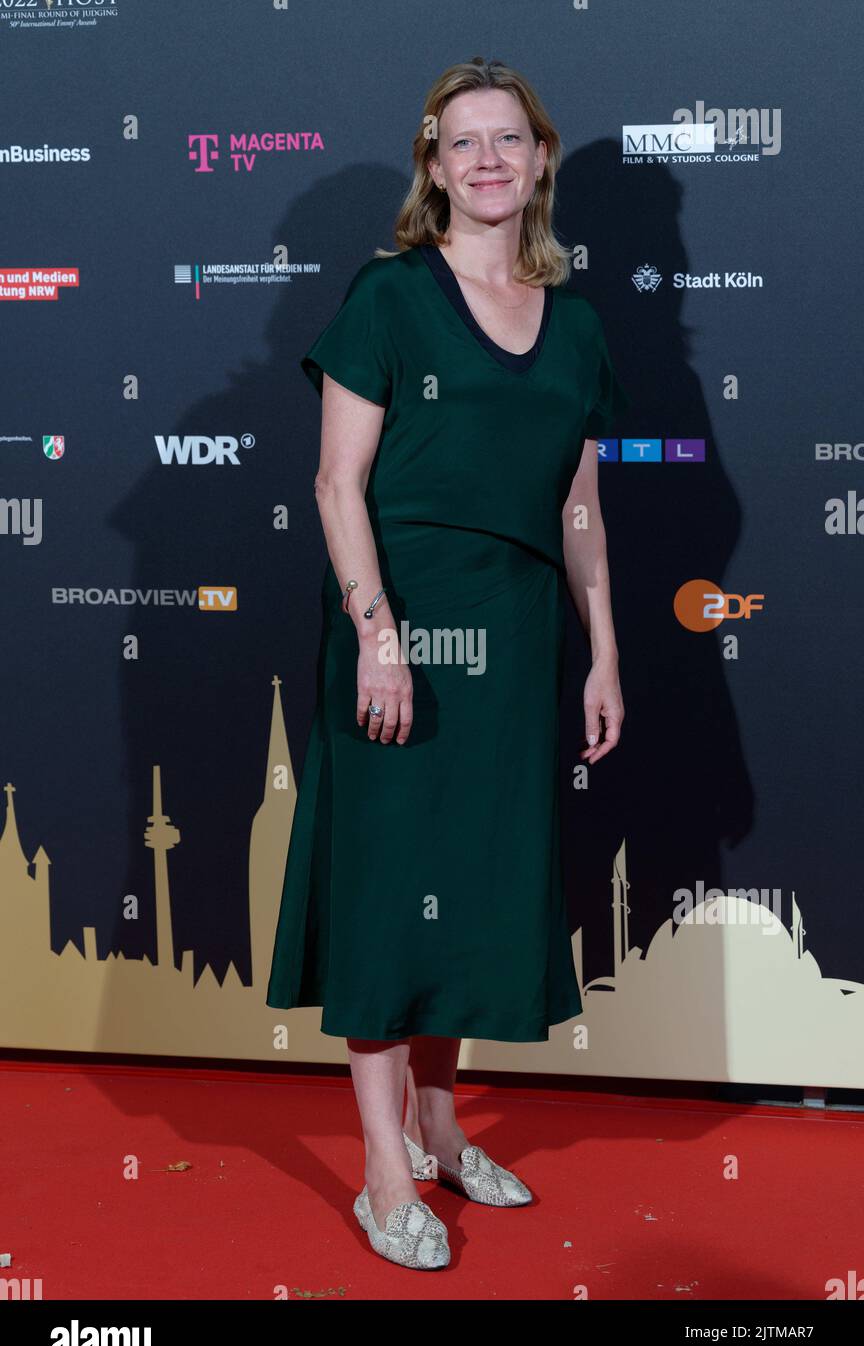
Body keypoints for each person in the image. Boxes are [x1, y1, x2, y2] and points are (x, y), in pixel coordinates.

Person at [266, 55, 630, 1271]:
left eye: (507, 138)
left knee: (467, 892)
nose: (487, 159)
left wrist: (603, 653)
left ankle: (437, 1126)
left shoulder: (575, 323)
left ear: (540, 159)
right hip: (404, 627)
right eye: (462, 140)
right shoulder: (389, 297)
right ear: (433, 163)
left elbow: (578, 506)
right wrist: (378, 633)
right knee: (388, 897)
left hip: (517, 641)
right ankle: (383, 1175)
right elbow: (338, 483)